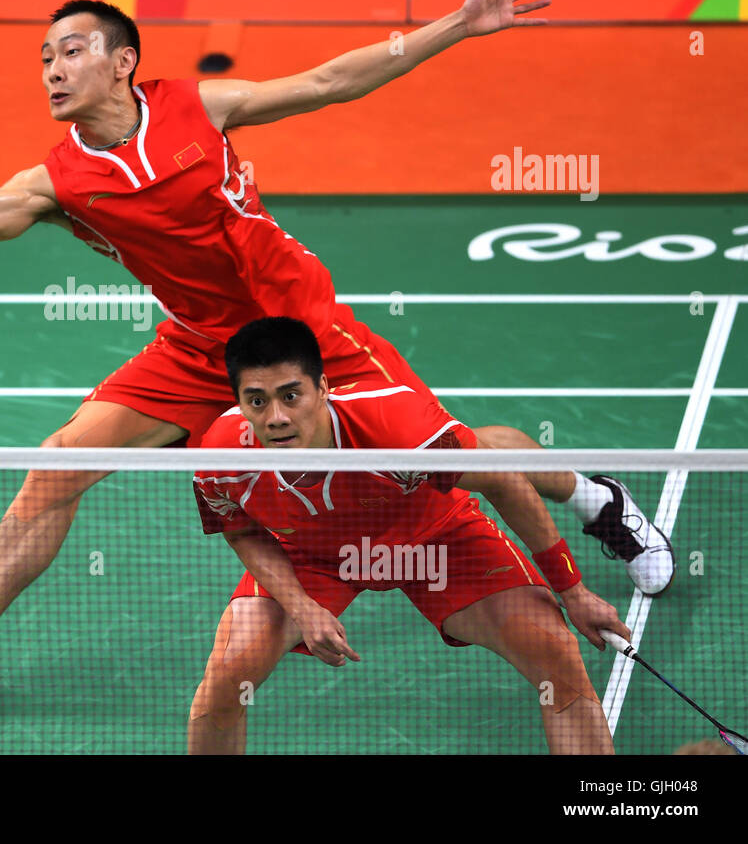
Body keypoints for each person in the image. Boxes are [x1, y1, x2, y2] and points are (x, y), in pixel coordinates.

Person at [0, 0, 671, 710]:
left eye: (71, 50)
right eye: (43, 56)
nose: (51, 67)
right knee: (60, 465)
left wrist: (454, 24)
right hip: (199, 348)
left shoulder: (203, 108)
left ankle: (591, 497)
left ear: (123, 62)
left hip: (302, 334)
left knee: (458, 455)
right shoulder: (60, 180)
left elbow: (327, 82)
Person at [189, 316, 626, 754]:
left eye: (291, 395)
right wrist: (302, 608)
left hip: (436, 538)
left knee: (556, 654)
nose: (277, 417)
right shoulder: (224, 454)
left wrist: (572, 590)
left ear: (322, 387)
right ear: (239, 402)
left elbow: (504, 481)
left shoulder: (398, 427)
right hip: (313, 554)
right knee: (228, 676)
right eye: (257, 401)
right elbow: (242, 531)